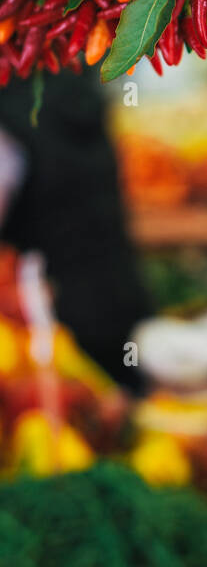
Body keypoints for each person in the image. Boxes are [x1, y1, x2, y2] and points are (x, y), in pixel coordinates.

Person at [0, 67, 152, 393]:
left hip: (51, 327)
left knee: (86, 423)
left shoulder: (7, 119)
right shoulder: (76, 90)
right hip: (119, 298)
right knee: (119, 419)